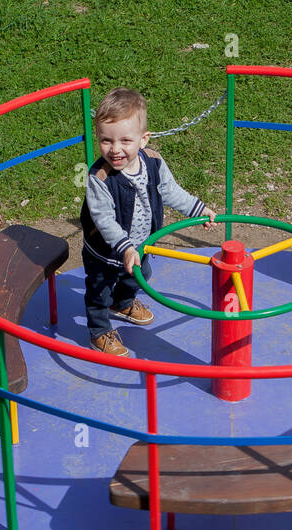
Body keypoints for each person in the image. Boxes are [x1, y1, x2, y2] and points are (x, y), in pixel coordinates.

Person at [79, 87, 218, 357]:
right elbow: (104, 220)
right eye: (106, 140)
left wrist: (198, 209)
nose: (115, 149)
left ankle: (123, 303)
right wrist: (125, 247)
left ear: (143, 140)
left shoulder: (153, 161)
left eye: (125, 141)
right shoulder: (99, 178)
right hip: (106, 251)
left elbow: (170, 191)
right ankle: (99, 332)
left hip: (141, 244)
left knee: (140, 276)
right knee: (100, 290)